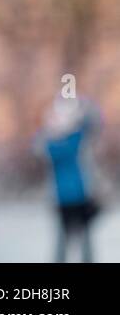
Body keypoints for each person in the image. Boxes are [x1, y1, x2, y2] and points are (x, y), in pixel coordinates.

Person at [36, 95, 102, 262]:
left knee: (72, 242)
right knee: (76, 242)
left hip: (73, 197)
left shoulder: (54, 143)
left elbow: (93, 122)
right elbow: (91, 123)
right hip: (71, 197)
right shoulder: (69, 141)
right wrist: (80, 111)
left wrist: (77, 107)